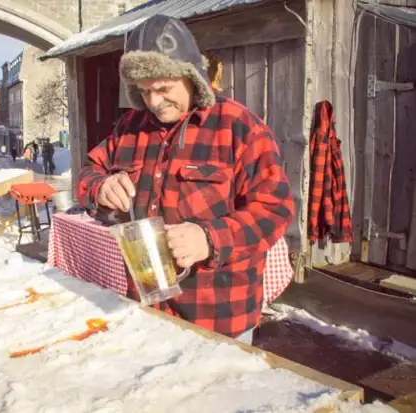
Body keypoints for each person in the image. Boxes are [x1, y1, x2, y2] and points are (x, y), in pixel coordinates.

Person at [76, 15, 295, 344]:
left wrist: (209, 239)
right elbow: (88, 174)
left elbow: (275, 210)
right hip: (147, 306)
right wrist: (100, 187)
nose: (153, 101)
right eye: (144, 91)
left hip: (219, 317)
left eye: (163, 88)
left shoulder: (239, 127)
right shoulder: (130, 127)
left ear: (191, 75)